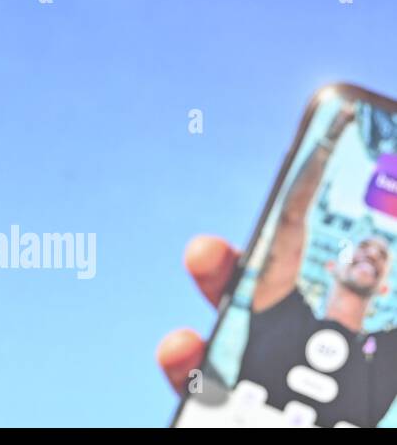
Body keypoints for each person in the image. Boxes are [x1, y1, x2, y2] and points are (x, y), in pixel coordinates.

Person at [159, 103, 397, 427]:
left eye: (382, 256)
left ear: (384, 288)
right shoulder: (283, 311)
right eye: (363, 247)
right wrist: (329, 139)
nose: (371, 254)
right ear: (332, 266)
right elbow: (291, 219)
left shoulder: (384, 357)